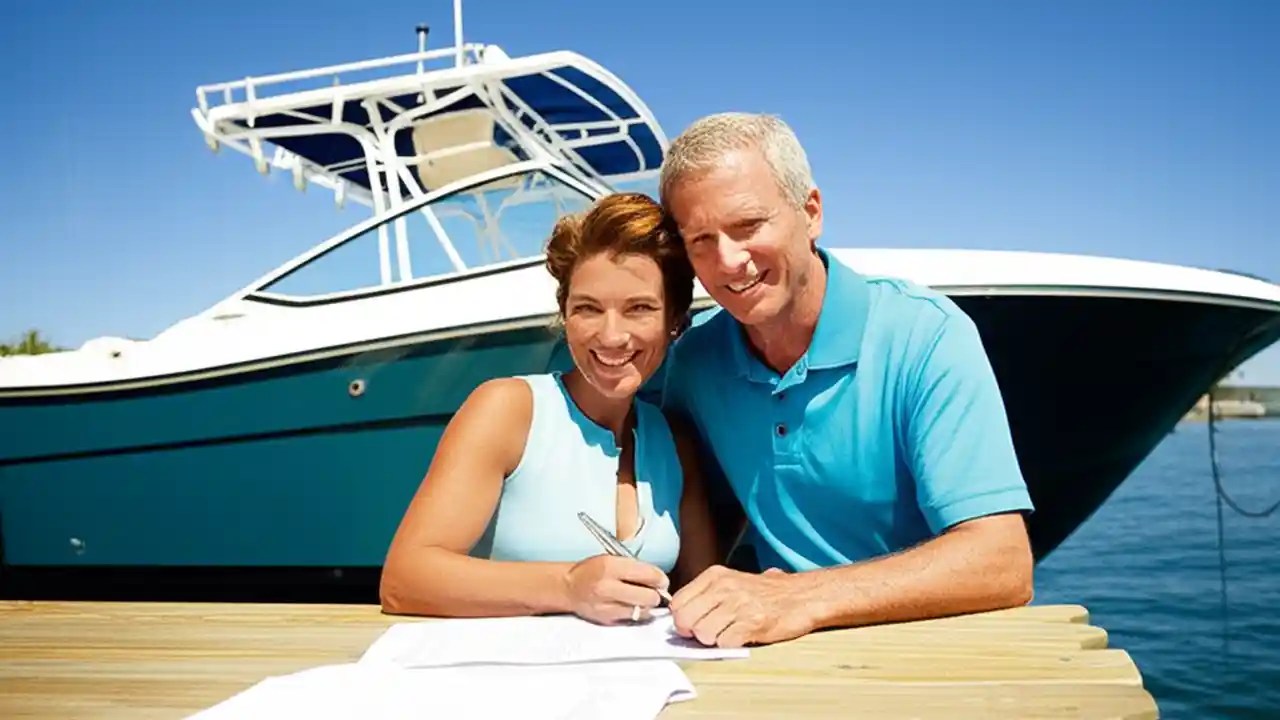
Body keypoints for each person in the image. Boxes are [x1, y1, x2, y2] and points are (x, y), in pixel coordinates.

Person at [655, 112, 1036, 649]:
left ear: (810, 213)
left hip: (939, 652)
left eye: (748, 227)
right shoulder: (694, 362)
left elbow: (1003, 562)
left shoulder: (926, 333)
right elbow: (698, 528)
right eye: (700, 241)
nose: (728, 262)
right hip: (779, 659)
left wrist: (798, 599)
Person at [379, 192, 720, 625]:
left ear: (674, 320)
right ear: (565, 316)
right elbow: (405, 579)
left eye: (639, 309)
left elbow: (705, 591)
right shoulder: (507, 409)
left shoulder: (676, 443)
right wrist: (567, 587)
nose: (611, 336)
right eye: (588, 309)